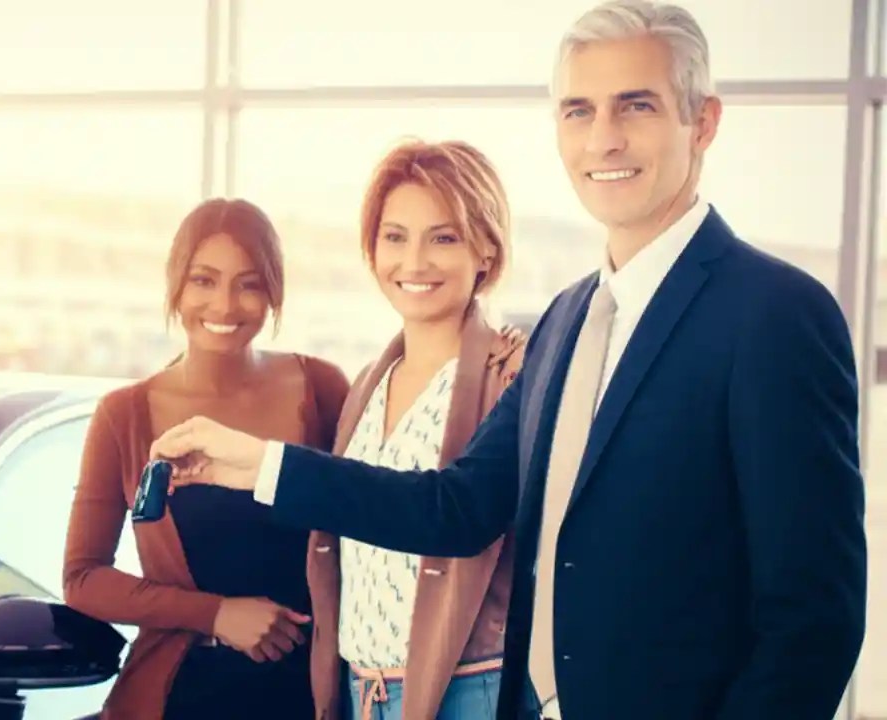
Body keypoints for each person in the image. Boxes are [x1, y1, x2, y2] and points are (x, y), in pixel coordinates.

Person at [148, 2, 868, 719]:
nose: (604, 139)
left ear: (702, 122)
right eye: (579, 111)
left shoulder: (773, 313)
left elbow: (814, 618)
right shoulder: (564, 322)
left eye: (636, 105)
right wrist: (259, 464)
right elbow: (455, 509)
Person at [62, 197, 351, 719]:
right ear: (176, 285)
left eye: (249, 284)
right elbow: (82, 578)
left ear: (273, 292)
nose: (224, 305)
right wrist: (215, 614)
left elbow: (369, 520)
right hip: (179, 695)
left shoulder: (320, 390)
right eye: (204, 280)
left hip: (307, 695)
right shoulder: (123, 416)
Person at [312, 139, 529, 720]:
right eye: (395, 237)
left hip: (471, 689)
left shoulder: (509, 376)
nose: (413, 262)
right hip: (365, 691)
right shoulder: (368, 383)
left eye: (443, 238)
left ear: (485, 248)